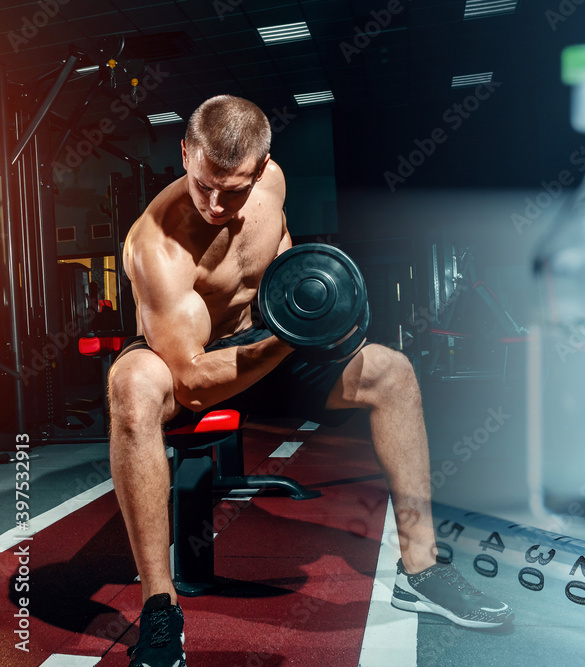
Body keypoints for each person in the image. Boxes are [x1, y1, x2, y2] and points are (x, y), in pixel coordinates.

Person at [110, 95, 510, 667]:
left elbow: (286, 264)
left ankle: (421, 570)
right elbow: (194, 382)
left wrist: (310, 308)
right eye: (203, 184)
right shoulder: (156, 245)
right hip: (193, 363)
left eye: (235, 188)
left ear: (263, 165)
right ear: (184, 154)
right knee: (133, 385)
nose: (217, 204)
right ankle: (159, 608)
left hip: (268, 342)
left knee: (392, 374)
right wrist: (292, 333)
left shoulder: (271, 182)